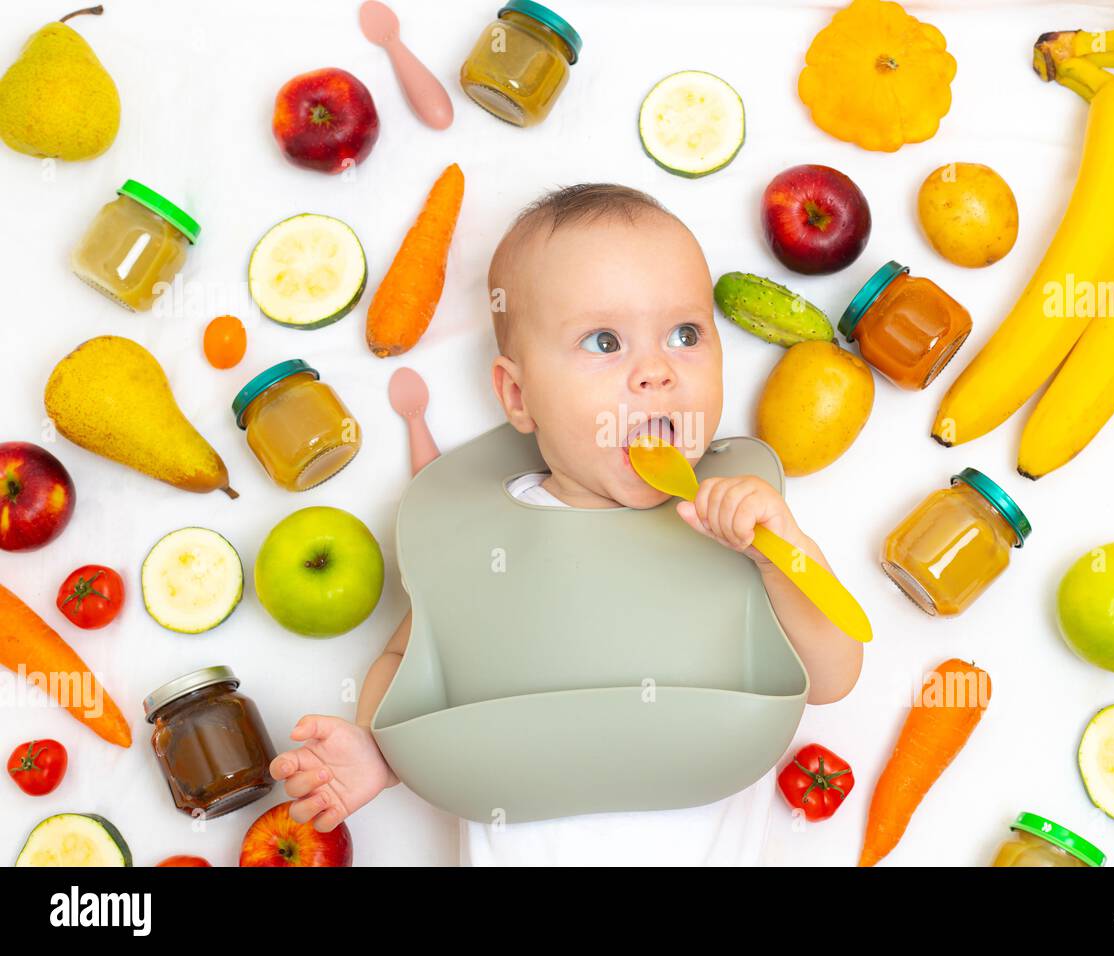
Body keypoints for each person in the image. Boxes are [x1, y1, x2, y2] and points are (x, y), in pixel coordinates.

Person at [270, 184, 863, 865]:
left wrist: (781, 552)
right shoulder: (480, 534)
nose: (656, 372)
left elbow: (833, 677)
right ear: (518, 396)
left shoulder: (738, 520)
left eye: (685, 334)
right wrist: (380, 754)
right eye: (604, 341)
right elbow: (412, 660)